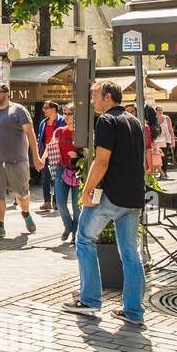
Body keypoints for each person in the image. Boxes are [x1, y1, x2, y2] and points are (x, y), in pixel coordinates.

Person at [65, 81, 147, 326]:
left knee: (84, 239)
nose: (92, 101)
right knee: (131, 254)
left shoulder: (106, 121)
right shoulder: (134, 121)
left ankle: (89, 300)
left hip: (111, 194)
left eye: (95, 96)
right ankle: (133, 311)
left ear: (108, 97)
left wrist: (87, 190)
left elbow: (101, 161)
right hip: (133, 196)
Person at [0, 82, 43, 238]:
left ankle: (25, 212)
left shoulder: (19, 110)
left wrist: (36, 158)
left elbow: (31, 134)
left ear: (7, 93)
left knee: (21, 194)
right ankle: (0, 226)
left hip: (17, 160)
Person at [50, 103, 82, 243]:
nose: (66, 116)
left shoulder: (81, 132)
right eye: (65, 113)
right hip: (62, 170)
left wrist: (77, 155)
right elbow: (51, 147)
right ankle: (68, 226)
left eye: (70, 113)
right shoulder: (60, 131)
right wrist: (41, 159)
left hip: (78, 171)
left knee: (76, 206)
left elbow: (89, 152)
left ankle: (75, 233)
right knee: (60, 203)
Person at [36, 101, 62, 213]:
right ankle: (47, 201)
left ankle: (56, 202)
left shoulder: (62, 121)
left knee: (57, 177)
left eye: (46, 108)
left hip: (58, 153)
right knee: (45, 177)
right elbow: (40, 137)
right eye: (44, 108)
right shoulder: (44, 122)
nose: (44, 110)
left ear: (54, 109)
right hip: (45, 153)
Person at [152, 106, 171, 178]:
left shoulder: (166, 118)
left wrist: (172, 139)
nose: (160, 111)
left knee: (164, 156)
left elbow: (170, 129)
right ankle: (155, 172)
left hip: (164, 139)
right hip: (155, 140)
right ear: (155, 111)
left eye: (161, 110)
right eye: (158, 110)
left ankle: (164, 172)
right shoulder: (153, 119)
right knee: (155, 157)